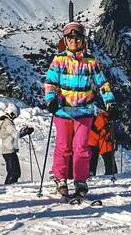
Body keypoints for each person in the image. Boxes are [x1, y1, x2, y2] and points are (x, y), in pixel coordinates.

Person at [44, 21, 114, 200]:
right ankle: (60, 179)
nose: (74, 42)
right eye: (70, 38)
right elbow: (50, 83)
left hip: (84, 111)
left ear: (83, 40)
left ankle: (80, 180)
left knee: (82, 148)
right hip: (63, 112)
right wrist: (51, 100)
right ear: (65, 41)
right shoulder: (59, 60)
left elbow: (102, 83)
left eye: (77, 38)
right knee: (63, 146)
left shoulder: (90, 62)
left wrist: (110, 103)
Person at [88, 108, 118, 177]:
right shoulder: (102, 118)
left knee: (94, 163)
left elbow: (97, 134)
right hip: (100, 144)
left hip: (102, 144)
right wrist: (106, 130)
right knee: (109, 165)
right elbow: (97, 134)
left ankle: (91, 176)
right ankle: (91, 176)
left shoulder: (105, 118)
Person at [0, 105, 22, 184]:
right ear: (10, 113)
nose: (14, 117)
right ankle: (8, 186)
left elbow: (11, 134)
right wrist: (25, 132)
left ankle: (10, 185)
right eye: (14, 115)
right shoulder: (8, 122)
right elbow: (15, 134)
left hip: (9, 150)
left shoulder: (5, 121)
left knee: (14, 172)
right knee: (14, 172)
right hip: (9, 150)